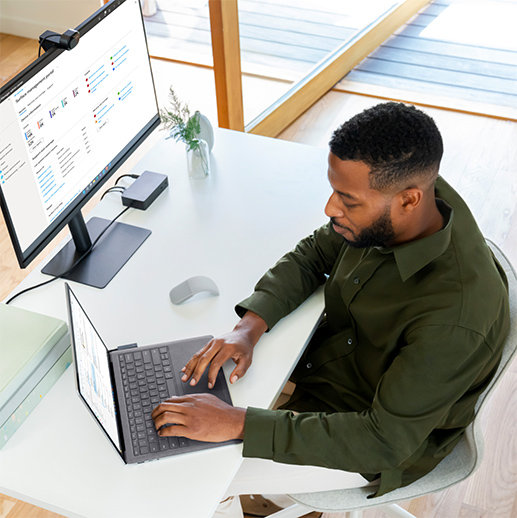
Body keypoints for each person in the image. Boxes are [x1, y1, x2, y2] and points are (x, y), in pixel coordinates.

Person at [151, 102, 510, 514]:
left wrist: (238, 423)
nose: (330, 209)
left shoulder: (454, 319)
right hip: (332, 368)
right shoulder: (410, 200)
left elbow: (381, 443)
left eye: (348, 200)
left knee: (184, 476)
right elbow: (315, 253)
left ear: (410, 200)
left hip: (370, 437)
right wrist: (248, 328)